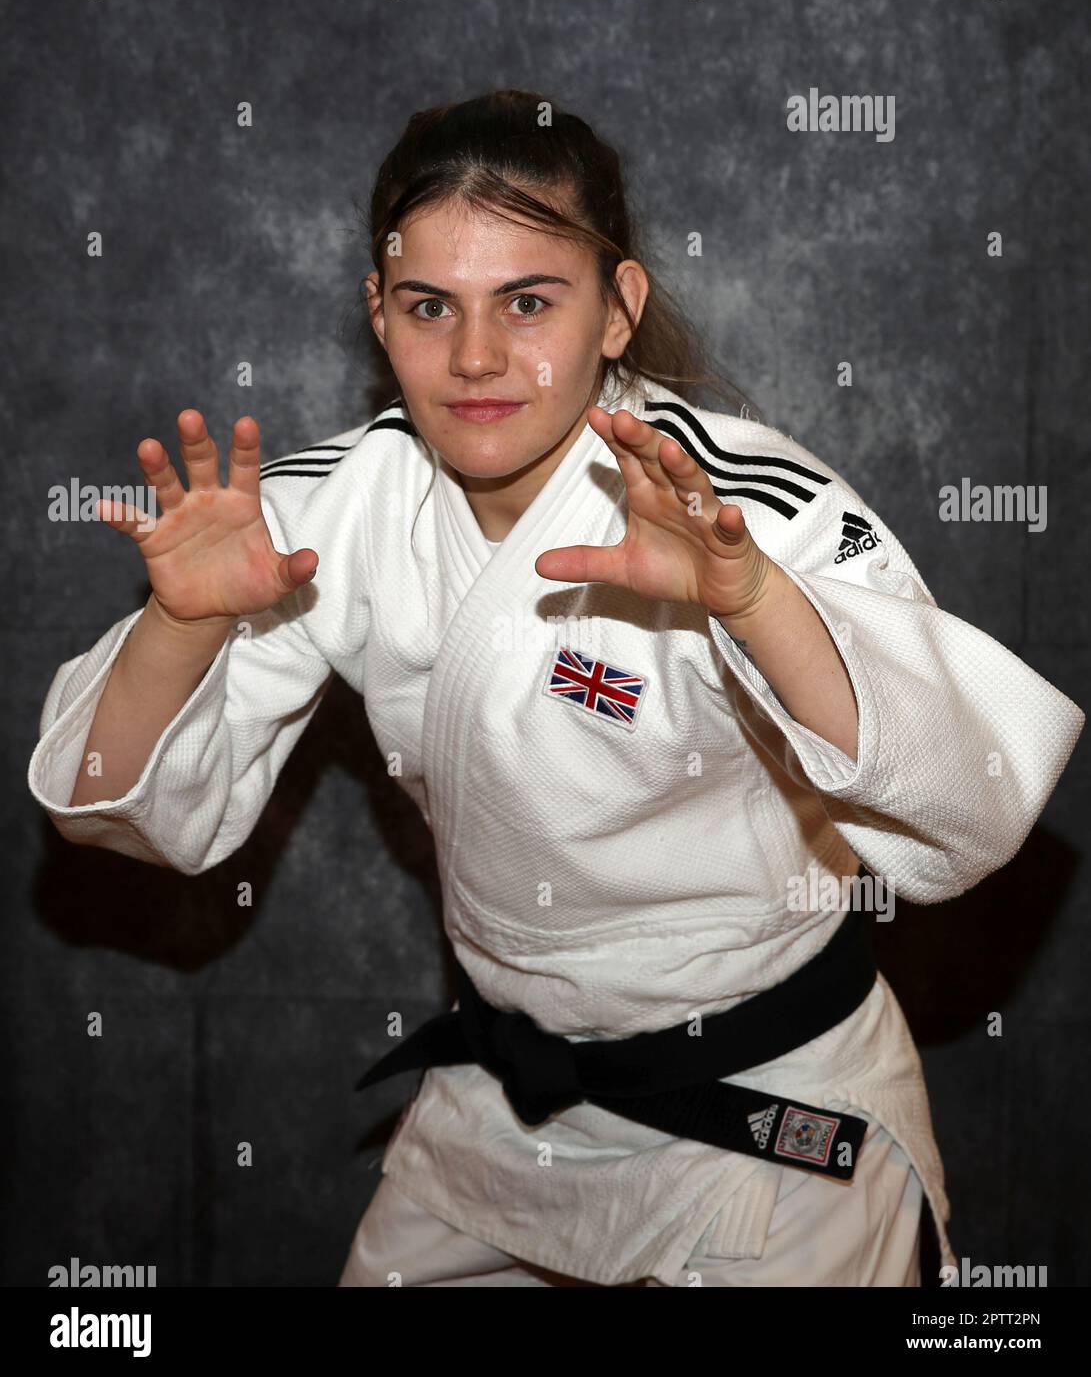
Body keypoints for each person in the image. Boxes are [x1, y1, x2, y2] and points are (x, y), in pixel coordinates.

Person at [27, 89, 1084, 1288]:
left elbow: (972, 802)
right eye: (429, 307)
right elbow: (108, 807)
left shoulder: (736, 501)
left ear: (617, 310)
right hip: (510, 1107)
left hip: (770, 1119)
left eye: (528, 302)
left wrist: (750, 602)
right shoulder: (341, 508)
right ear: (378, 315)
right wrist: (177, 625)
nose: (475, 358)